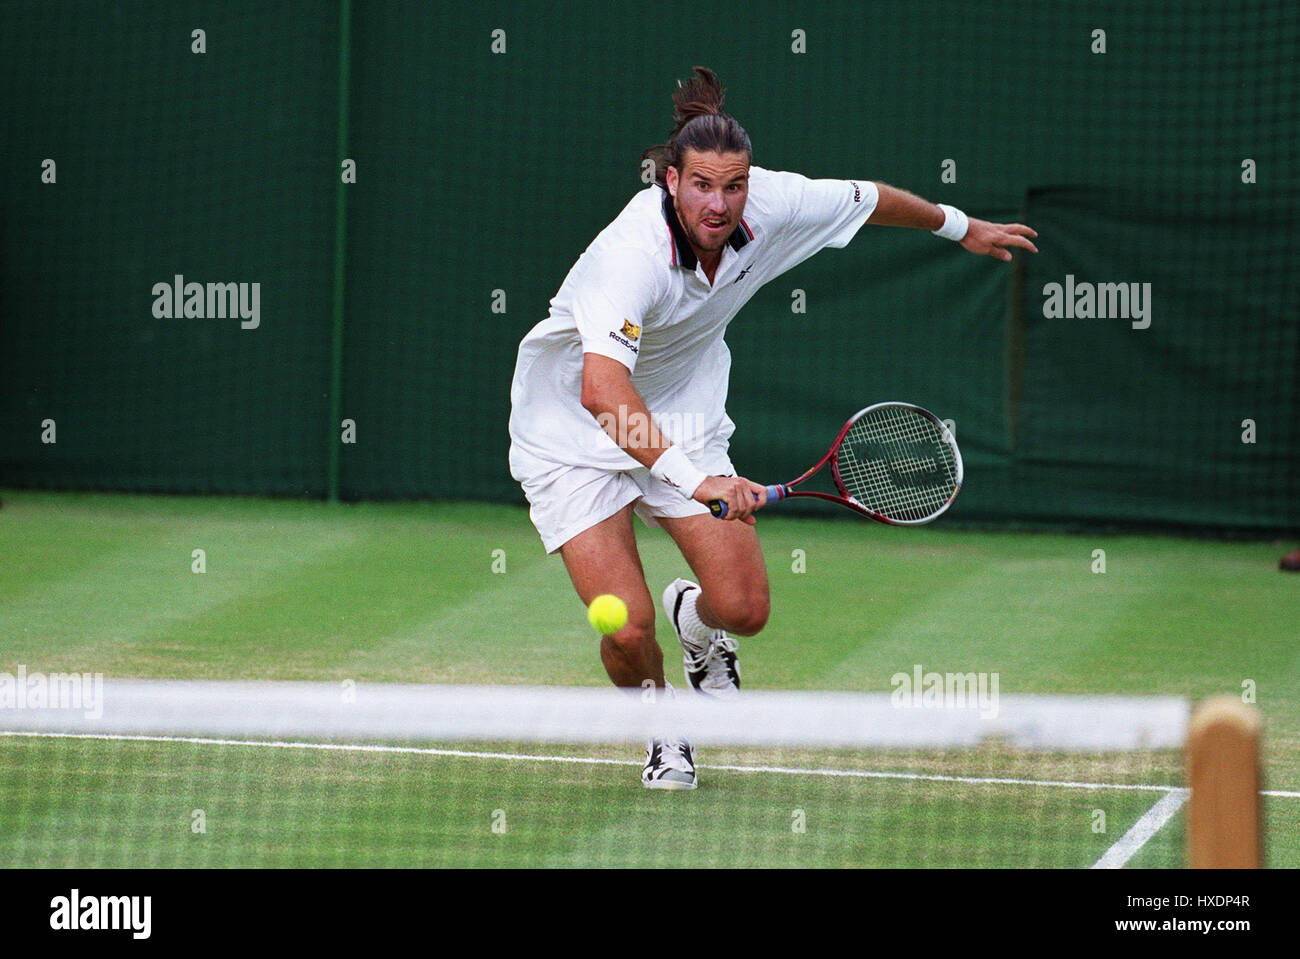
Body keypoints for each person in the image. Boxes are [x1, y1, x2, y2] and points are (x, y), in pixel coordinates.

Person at [507, 66, 1037, 789]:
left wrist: (960, 226)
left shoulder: (776, 203)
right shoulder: (629, 258)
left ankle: (699, 628)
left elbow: (870, 197)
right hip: (571, 432)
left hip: (683, 416)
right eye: (700, 185)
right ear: (670, 181)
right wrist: (701, 484)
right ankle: (663, 730)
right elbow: (604, 392)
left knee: (744, 610)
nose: (719, 203)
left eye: (733, 185)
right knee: (624, 626)